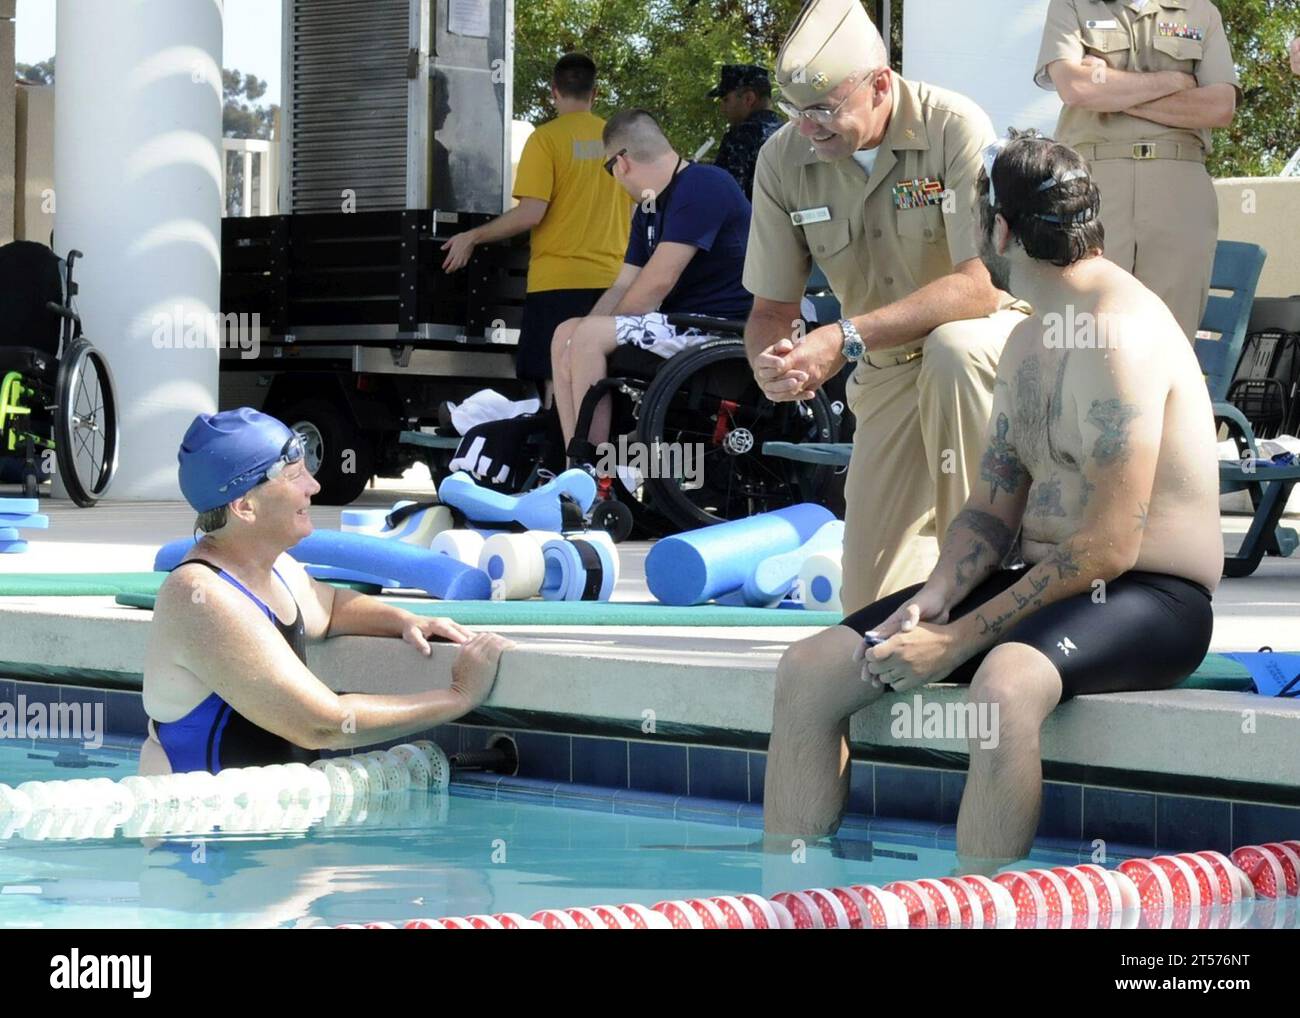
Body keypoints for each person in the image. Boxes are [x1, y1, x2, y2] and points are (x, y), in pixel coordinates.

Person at [762, 130, 1222, 871]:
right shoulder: (1025, 341)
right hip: (1050, 587)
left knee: (1005, 685)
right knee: (811, 670)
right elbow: (993, 505)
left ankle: (982, 905)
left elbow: (1108, 547)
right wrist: (937, 597)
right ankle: (788, 898)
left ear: (999, 231)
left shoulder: (1118, 337)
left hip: (1151, 597)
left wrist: (958, 639)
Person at [745, 0, 1029, 612]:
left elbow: (979, 284)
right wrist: (772, 365)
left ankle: (988, 576)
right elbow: (771, 308)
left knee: (955, 351)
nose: (807, 127)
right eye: (795, 110)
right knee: (867, 610)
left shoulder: (955, 125)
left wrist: (844, 338)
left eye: (823, 108)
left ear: (880, 85)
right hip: (889, 368)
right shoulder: (781, 159)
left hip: (986, 348)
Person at [139, 408, 512, 775]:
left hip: (263, 820)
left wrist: (404, 620)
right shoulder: (201, 596)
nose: (313, 486)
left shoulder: (276, 568)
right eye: (295, 475)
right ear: (245, 506)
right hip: (196, 831)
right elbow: (320, 724)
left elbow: (330, 608)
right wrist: (458, 696)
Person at [551, 109, 753, 457]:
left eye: (608, 169)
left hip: (721, 328)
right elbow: (622, 284)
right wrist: (586, 329)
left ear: (622, 162)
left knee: (587, 337)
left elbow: (658, 281)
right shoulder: (648, 207)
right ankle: (573, 459)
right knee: (565, 333)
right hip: (680, 326)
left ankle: (594, 466)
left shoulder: (704, 184)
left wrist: (596, 334)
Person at [1035, 0, 1239, 341]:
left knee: (1170, 336)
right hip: (1093, 184)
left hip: (1177, 184)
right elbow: (1076, 87)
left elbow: (1219, 107)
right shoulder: (1072, 5)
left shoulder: (1200, 11)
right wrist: (1175, 80)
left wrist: (1112, 90)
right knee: (1083, 330)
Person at [439, 54, 632, 391]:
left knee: (557, 383)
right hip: (613, 285)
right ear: (594, 94)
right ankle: (600, 445)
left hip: (557, 284)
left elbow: (531, 213)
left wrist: (473, 235)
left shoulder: (546, 139)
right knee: (603, 382)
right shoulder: (618, 142)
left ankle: (562, 444)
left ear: (553, 91)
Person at [709, 64, 784, 201]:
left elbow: (725, 197)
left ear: (749, 98)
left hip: (753, 221)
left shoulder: (740, 137)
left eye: (726, 100)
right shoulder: (788, 133)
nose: (723, 109)